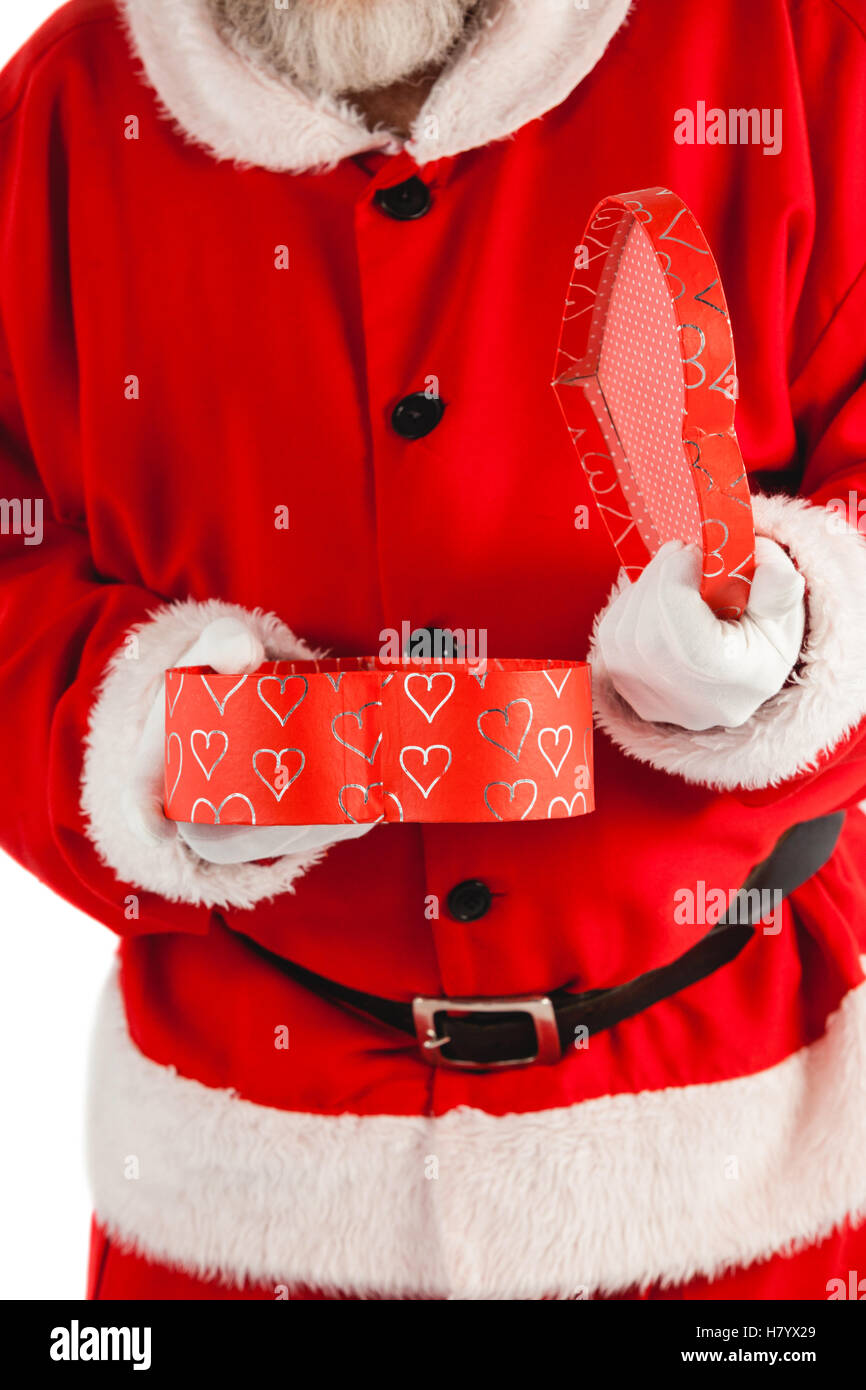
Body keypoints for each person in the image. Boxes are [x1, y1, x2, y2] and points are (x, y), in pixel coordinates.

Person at [1, 0, 865, 1301]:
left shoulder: (797, 44)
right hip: (237, 1193)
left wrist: (797, 644)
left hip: (746, 1179)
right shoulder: (60, 112)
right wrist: (132, 738)